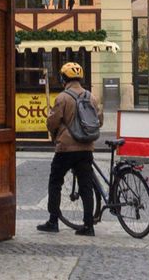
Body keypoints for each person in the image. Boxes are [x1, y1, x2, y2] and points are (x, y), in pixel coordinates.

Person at [39, 61, 100, 236]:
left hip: (66, 148)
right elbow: (99, 120)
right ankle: (88, 226)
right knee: (86, 185)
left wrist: (54, 132)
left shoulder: (62, 98)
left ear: (63, 78)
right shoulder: (91, 97)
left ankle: (53, 221)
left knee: (55, 180)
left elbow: (53, 122)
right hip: (86, 147)